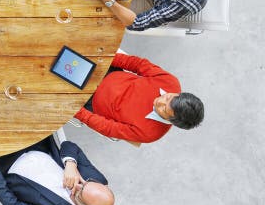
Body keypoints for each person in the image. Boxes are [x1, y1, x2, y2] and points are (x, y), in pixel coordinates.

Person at [0, 134, 114, 205]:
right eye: (86, 182)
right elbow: (70, 146)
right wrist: (71, 164)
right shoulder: (97, 180)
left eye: (80, 191)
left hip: (4, 163)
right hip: (36, 141)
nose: (79, 184)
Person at [75, 52, 204, 143]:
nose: (159, 101)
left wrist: (75, 110)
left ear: (171, 121)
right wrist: (103, 58)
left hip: (88, 100)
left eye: (164, 110)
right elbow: (136, 64)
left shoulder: (150, 133)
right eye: (167, 97)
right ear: (177, 94)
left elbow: (108, 127)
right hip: (107, 71)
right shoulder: (170, 82)